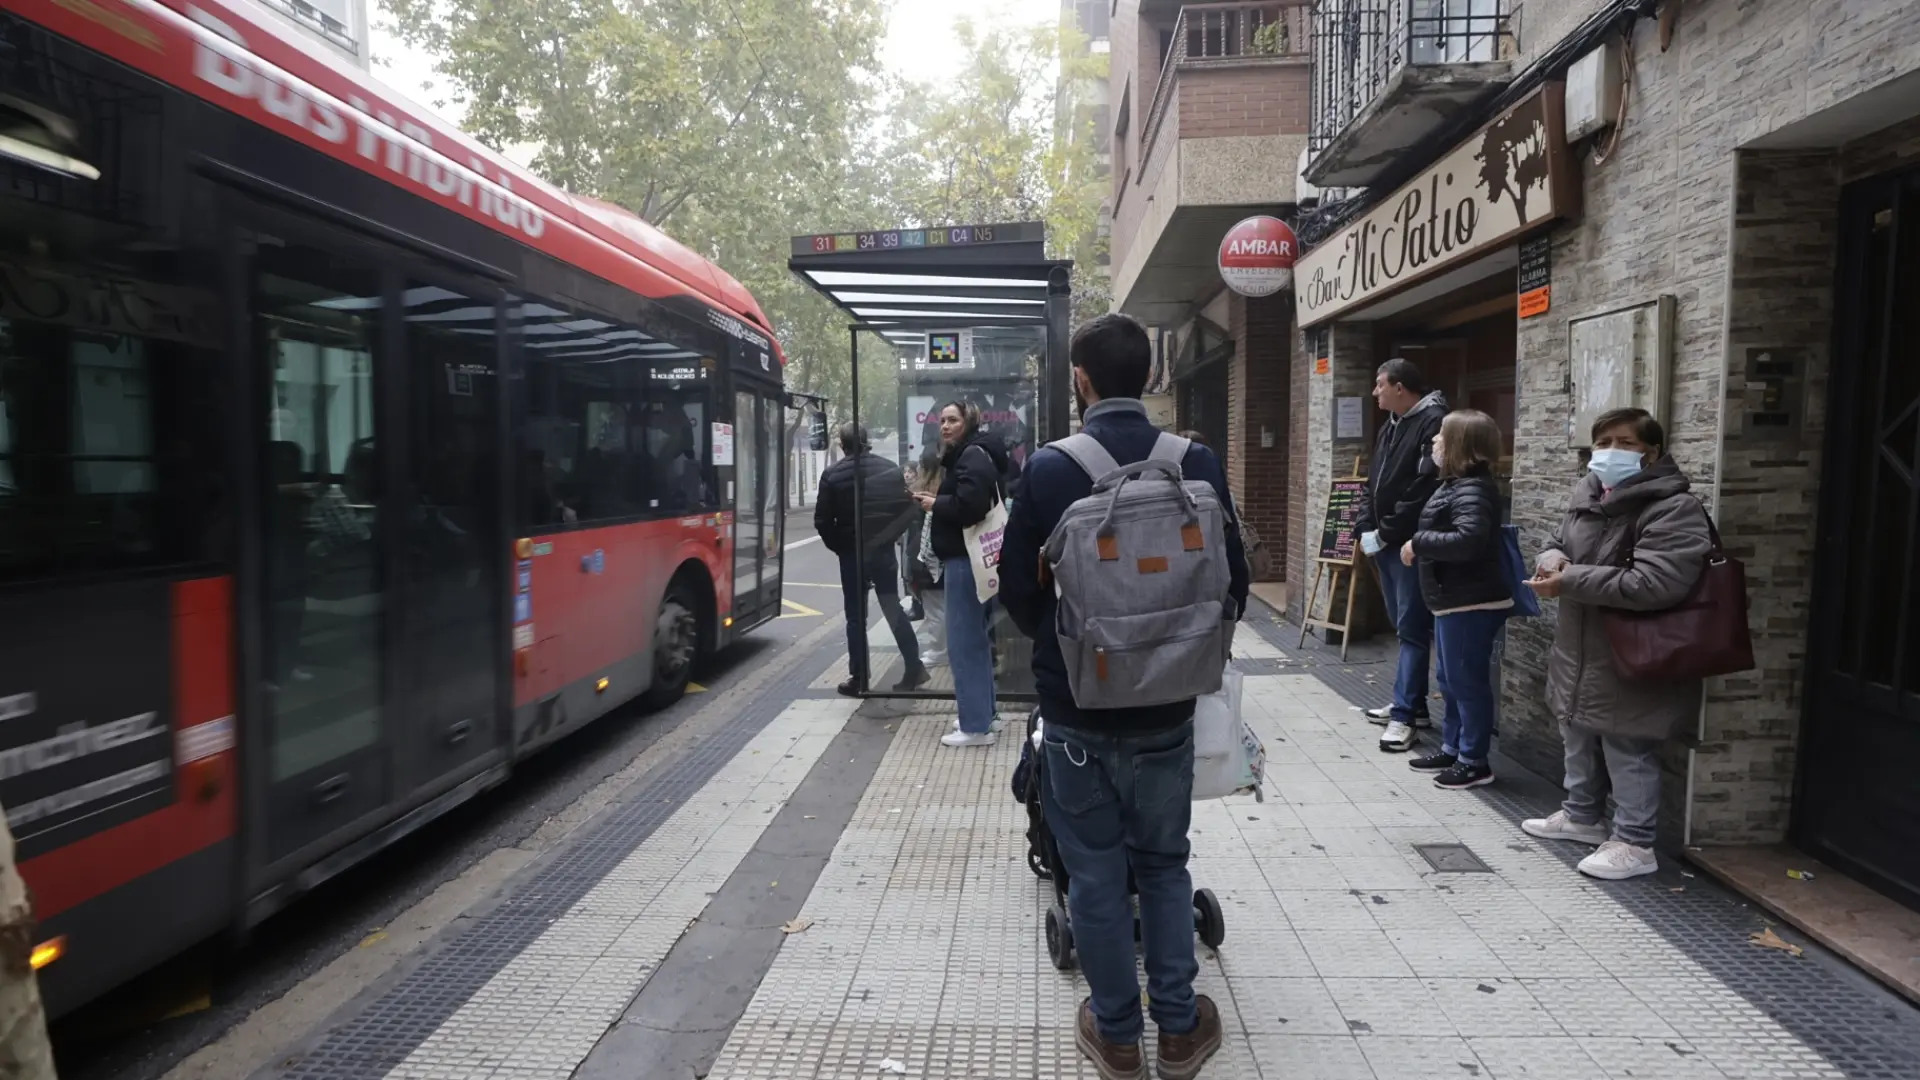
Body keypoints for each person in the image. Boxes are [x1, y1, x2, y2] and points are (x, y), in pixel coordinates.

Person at [1001, 313, 1249, 1080]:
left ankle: (1116, 1036)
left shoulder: (1048, 470)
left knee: (1097, 874)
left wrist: (1077, 643)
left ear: (1080, 380)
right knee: (1165, 865)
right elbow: (1233, 585)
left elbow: (1016, 594)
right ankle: (1179, 1029)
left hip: (1077, 710)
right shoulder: (1195, 461)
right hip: (1169, 709)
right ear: (1150, 377)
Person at [1521, 408, 1712, 880]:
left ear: (1651, 453)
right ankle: (1582, 816)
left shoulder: (1673, 508)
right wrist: (1552, 559)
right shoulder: (1587, 495)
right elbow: (1554, 539)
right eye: (1603, 441)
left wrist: (1569, 580)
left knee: (1629, 744)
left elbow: (1657, 582)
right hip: (1579, 646)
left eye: (1624, 443)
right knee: (1577, 730)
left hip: (1634, 649)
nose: (1610, 452)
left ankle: (1635, 843)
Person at [1399, 409, 1511, 789]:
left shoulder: (1473, 489)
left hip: (1470, 601)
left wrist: (1419, 542)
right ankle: (1454, 746)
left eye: (1441, 437)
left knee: (1466, 682)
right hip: (1452, 600)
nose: (1433, 443)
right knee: (1450, 679)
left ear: (1460, 445)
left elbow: (1469, 540)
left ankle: (1473, 760)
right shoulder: (1454, 484)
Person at [1355, 358, 1449, 752]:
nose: (1375, 392)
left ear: (1401, 387)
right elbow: (1374, 480)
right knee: (1401, 622)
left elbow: (1422, 488)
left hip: (1408, 545)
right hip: (1385, 542)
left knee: (1411, 627)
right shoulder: (1391, 425)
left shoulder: (1433, 422)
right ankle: (1413, 703)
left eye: (1380, 385)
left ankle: (1405, 717)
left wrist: (1387, 531)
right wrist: (1364, 526)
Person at [914, 402, 1008, 746]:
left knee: (964, 643)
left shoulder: (972, 456)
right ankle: (985, 716)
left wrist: (935, 504)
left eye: (952, 420)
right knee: (976, 642)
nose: (945, 426)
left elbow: (971, 505)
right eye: (941, 421)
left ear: (969, 421)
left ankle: (974, 727)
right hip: (971, 559)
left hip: (965, 559)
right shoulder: (977, 454)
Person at [814, 423, 927, 695]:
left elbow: (822, 522)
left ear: (843, 444)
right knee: (892, 608)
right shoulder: (889, 468)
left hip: (852, 555)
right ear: (867, 441)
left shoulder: (832, 475)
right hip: (883, 553)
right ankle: (914, 667)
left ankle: (860, 677)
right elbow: (907, 511)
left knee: (856, 617)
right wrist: (886, 539)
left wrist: (842, 547)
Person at [903, 450, 948, 669]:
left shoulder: (920, 493)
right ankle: (946, 647)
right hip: (944, 556)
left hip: (926, 558)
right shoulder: (946, 489)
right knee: (944, 606)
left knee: (934, 608)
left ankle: (939, 650)